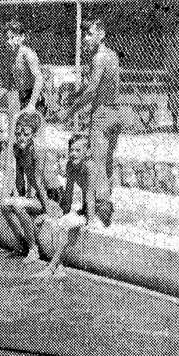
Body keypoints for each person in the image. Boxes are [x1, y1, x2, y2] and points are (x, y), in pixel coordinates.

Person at [60, 17, 121, 228]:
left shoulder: (98, 58)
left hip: (102, 116)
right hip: (115, 114)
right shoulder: (112, 55)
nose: (85, 38)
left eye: (89, 34)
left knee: (97, 166)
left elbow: (94, 89)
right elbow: (98, 84)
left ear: (101, 34)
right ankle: (102, 210)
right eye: (84, 35)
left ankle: (100, 216)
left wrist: (70, 111)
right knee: (108, 165)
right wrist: (76, 93)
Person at [0, 111, 63, 263]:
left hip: (51, 196)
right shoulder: (18, 149)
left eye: (25, 134)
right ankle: (21, 245)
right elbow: (20, 178)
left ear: (33, 135)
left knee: (18, 206)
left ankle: (33, 249)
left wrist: (48, 211)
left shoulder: (38, 151)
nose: (21, 137)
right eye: (18, 133)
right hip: (39, 196)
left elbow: (39, 181)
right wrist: (18, 196)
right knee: (5, 206)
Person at [34, 133, 92, 279]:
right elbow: (69, 193)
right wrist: (56, 212)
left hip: (93, 209)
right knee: (56, 223)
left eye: (78, 150)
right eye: (71, 150)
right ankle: (59, 267)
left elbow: (91, 197)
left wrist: (90, 221)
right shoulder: (70, 166)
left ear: (87, 152)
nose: (73, 154)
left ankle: (51, 267)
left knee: (65, 226)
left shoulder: (89, 168)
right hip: (80, 208)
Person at [4, 20, 45, 116]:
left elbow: (39, 78)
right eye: (7, 38)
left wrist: (32, 103)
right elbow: (8, 83)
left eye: (13, 37)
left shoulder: (28, 54)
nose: (9, 41)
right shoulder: (11, 56)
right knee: (20, 127)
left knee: (32, 128)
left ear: (22, 37)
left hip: (34, 97)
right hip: (23, 96)